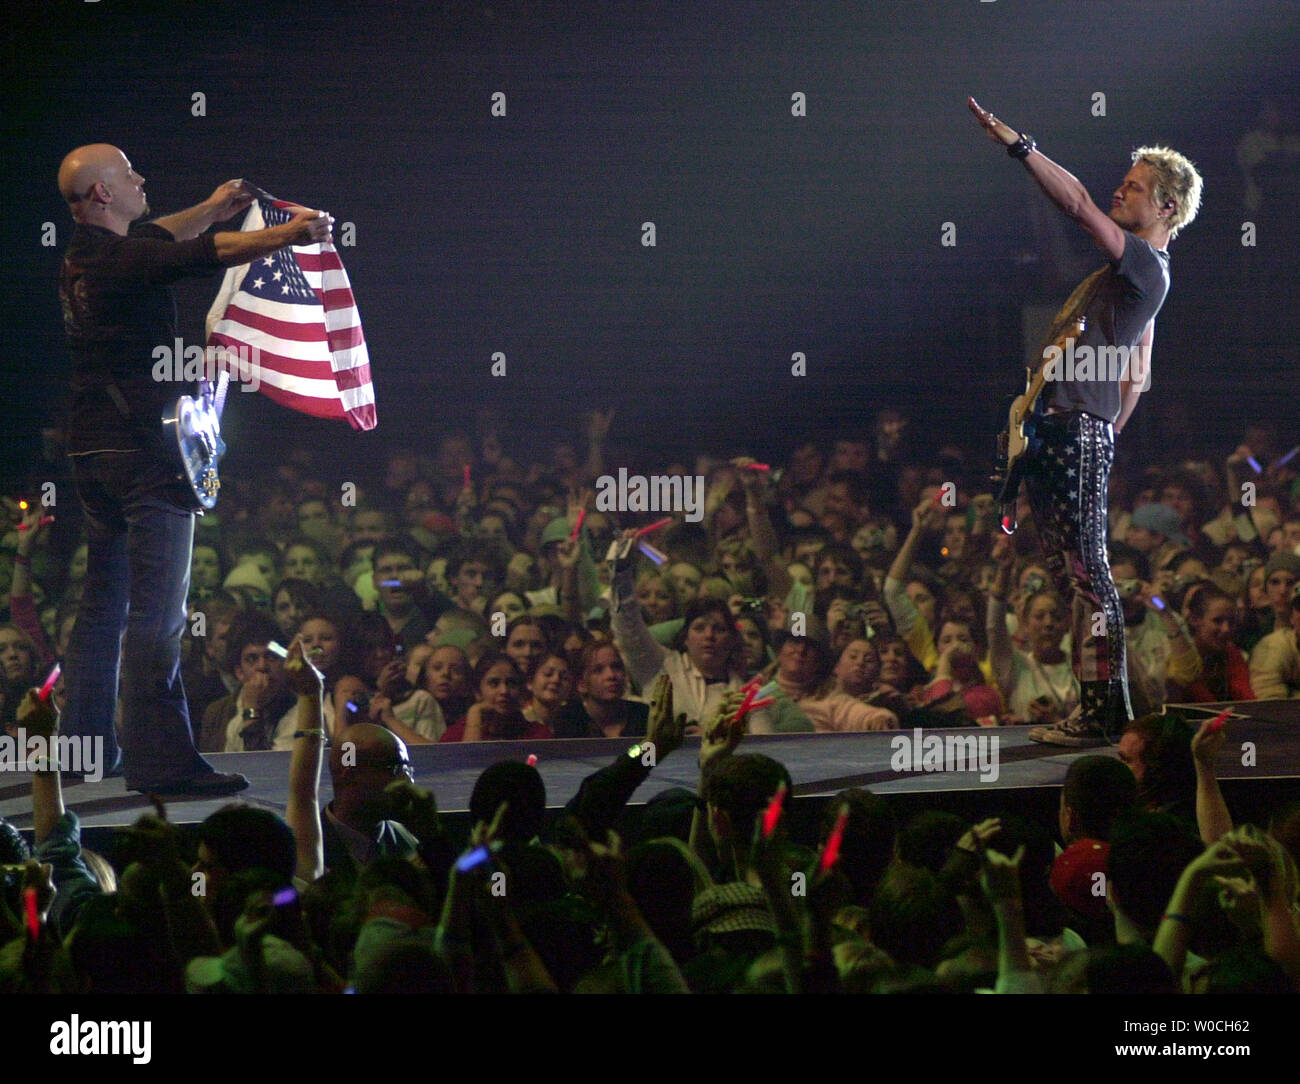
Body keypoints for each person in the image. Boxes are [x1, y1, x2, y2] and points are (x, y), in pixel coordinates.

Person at [55, 143, 332, 794]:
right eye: (128, 174)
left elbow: (162, 235)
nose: (141, 178)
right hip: (143, 454)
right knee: (159, 613)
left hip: (91, 448)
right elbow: (195, 255)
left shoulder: (85, 257)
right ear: (101, 194)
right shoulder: (124, 260)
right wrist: (289, 234)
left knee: (102, 606)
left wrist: (211, 207)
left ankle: (84, 753)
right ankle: (163, 763)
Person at [969, 100, 1203, 746]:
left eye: (1134, 186)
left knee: (1088, 576)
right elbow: (1139, 373)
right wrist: (1104, 433)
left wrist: (1019, 145)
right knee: (1077, 577)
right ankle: (1098, 709)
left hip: (1076, 430)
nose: (1118, 190)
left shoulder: (1143, 264)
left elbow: (1074, 203)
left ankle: (1103, 715)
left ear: (1166, 208)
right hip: (1069, 430)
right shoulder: (1140, 280)